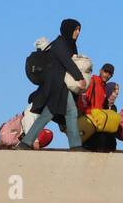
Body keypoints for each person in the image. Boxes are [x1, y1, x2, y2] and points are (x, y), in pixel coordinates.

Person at [21, 20, 86, 150]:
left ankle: (26, 142)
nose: (78, 32)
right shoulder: (60, 44)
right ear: (68, 29)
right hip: (56, 85)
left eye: (79, 29)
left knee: (47, 114)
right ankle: (75, 145)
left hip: (60, 85)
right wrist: (79, 78)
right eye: (75, 29)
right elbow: (67, 62)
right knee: (71, 111)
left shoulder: (70, 44)